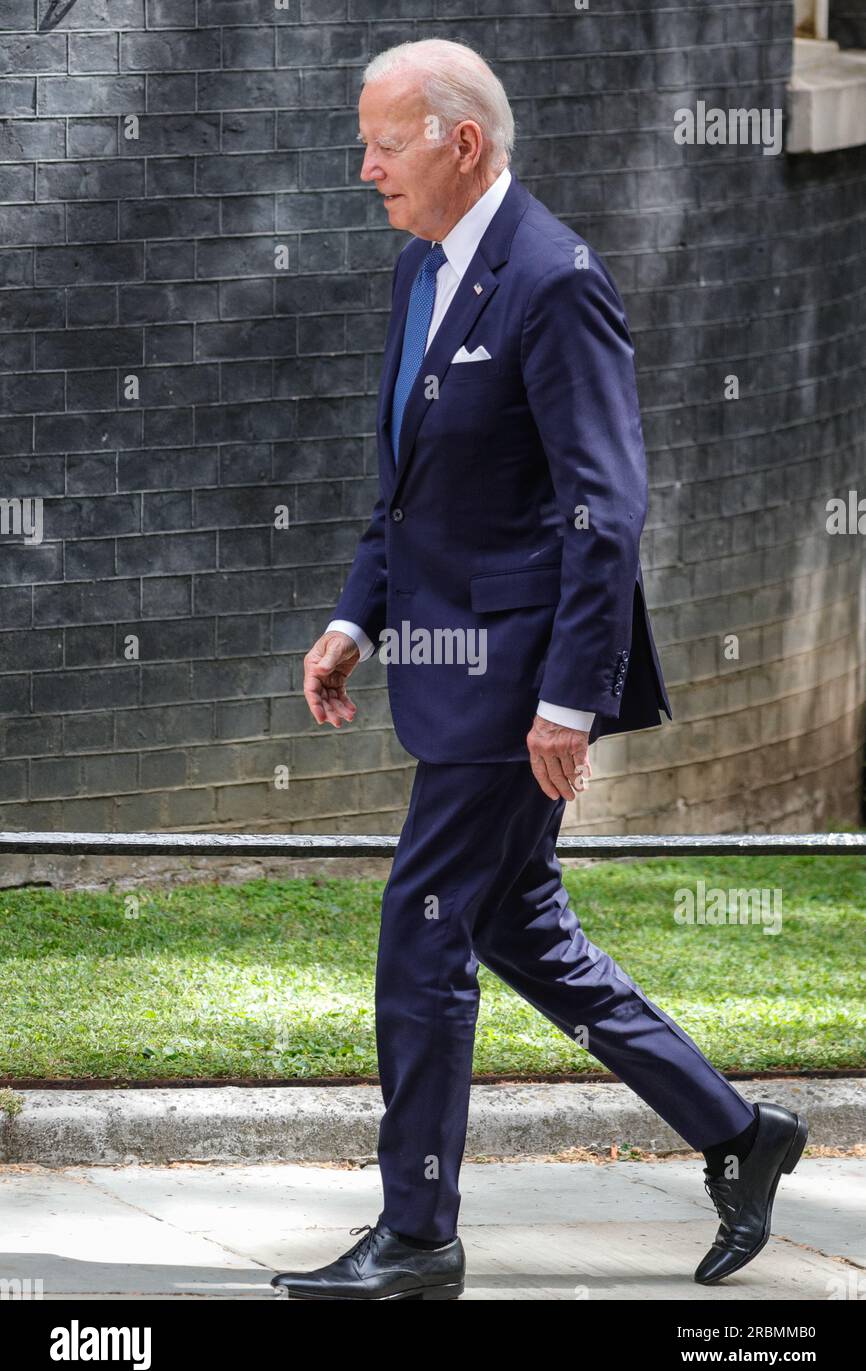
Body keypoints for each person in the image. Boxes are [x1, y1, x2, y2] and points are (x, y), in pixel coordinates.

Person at [272, 37, 807, 1301]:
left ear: (461, 143)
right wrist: (356, 619)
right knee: (520, 929)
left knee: (421, 937)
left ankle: (419, 1236)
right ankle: (737, 1133)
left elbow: (605, 508)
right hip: (449, 667)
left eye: (384, 145)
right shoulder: (420, 269)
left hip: (514, 687)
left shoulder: (555, 278)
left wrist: (567, 699)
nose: (366, 170)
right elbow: (408, 488)